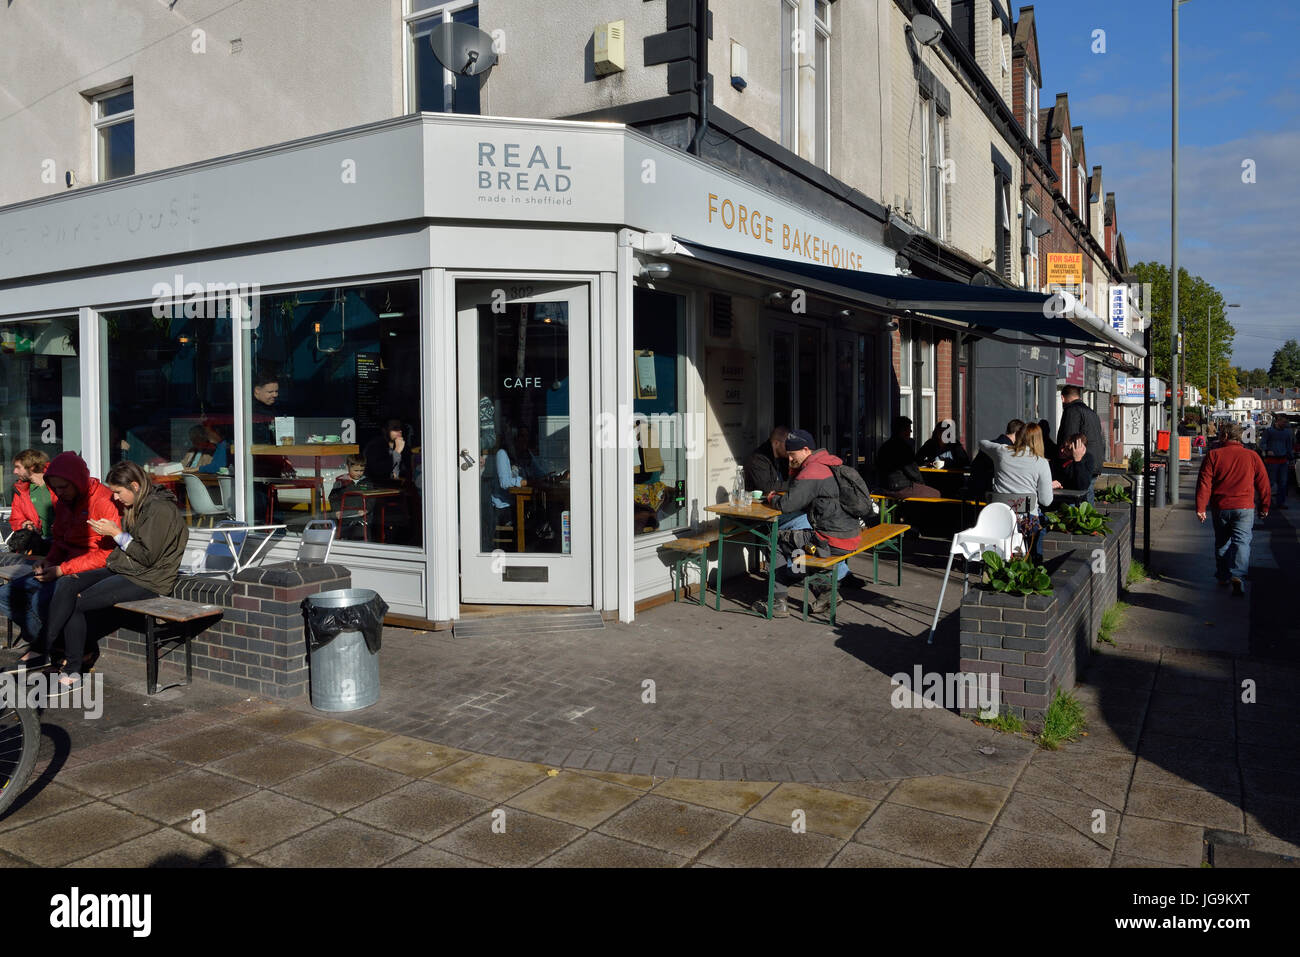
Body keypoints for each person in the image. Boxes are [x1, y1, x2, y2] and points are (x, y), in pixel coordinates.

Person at [19, 461, 188, 692]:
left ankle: (71, 668)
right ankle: (45, 647)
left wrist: (116, 533)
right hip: (125, 567)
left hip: (148, 578)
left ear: (135, 486)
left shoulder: (159, 510)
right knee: (68, 582)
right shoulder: (139, 504)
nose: (115, 498)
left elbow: (148, 556)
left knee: (77, 602)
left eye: (118, 492)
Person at [0, 452, 118, 650]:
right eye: (55, 488)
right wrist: (49, 561)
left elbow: (107, 554)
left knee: (39, 601)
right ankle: (55, 645)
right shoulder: (63, 502)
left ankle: (53, 647)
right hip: (64, 566)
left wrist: (61, 569)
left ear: (77, 481)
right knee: (5, 595)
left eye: (63, 487)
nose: (59, 492)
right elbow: (60, 540)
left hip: (91, 570)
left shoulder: (103, 501)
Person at [759, 429, 862, 618]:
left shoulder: (812, 471)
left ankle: (778, 603)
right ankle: (825, 593)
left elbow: (787, 504)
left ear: (806, 450)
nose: (790, 459)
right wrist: (795, 471)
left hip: (832, 540)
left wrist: (772, 497)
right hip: (850, 535)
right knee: (802, 546)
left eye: (792, 454)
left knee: (773, 540)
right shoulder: (829, 463)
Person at [1196, 421, 1271, 597]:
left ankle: (1223, 576)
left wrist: (1201, 507)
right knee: (1242, 542)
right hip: (1244, 507)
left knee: (1222, 542)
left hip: (1221, 506)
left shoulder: (1213, 455)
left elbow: (1204, 483)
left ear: (1225, 436)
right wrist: (1264, 506)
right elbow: (1263, 484)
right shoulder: (1252, 456)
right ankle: (1238, 575)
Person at [979, 422, 1055, 561]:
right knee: (1044, 522)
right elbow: (1046, 501)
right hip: (1025, 523)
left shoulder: (1001, 451)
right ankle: (1034, 561)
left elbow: (982, 443)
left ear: (1019, 436)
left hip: (997, 518)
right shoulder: (1041, 462)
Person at [746, 426, 810, 532]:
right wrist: (794, 484)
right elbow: (766, 487)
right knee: (804, 520)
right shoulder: (758, 458)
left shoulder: (783, 458)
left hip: (778, 507)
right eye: (787, 444)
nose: (790, 448)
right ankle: (787, 542)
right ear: (776, 443)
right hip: (762, 513)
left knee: (811, 515)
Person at [875, 417, 941, 499]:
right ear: (902, 430)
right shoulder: (903, 447)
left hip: (884, 485)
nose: (911, 431)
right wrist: (922, 485)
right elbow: (913, 472)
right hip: (899, 487)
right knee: (936, 494)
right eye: (909, 429)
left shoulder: (885, 446)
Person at [9, 450, 56, 552]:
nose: (14, 472)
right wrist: (24, 524)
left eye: (18, 467)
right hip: (38, 545)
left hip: (63, 544)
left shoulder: (57, 483)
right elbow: (15, 518)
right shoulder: (21, 490)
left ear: (32, 467)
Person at [1058, 386, 1103, 485]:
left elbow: (1069, 438)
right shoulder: (1091, 412)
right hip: (1094, 463)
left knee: (1078, 493)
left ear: (1062, 398)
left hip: (1081, 465)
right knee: (1088, 492)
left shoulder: (1072, 410)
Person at [968, 420, 1023, 497]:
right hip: (992, 493)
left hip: (976, 489)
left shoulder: (990, 444)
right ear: (1018, 433)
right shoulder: (1009, 450)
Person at [1259, 413, 1292, 511]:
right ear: (1278, 421)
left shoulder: (1287, 432)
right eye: (1284, 422)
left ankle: (1280, 503)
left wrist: (1291, 457)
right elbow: (1262, 443)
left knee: (1283, 483)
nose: (1285, 424)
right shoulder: (1269, 431)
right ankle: (1265, 503)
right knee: (1270, 482)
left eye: (1286, 422)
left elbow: (1289, 446)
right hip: (1271, 460)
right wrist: (1267, 449)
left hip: (1283, 460)